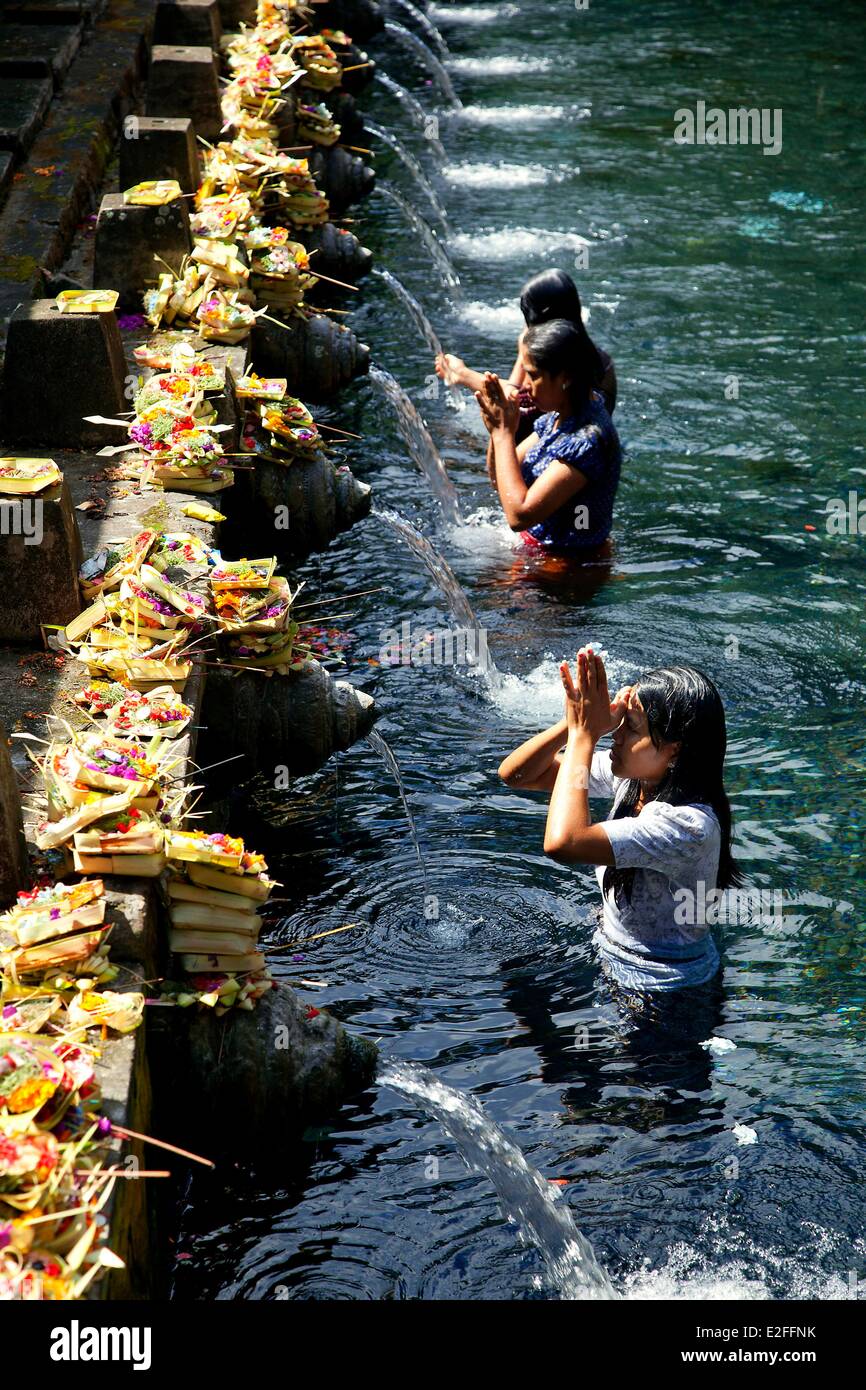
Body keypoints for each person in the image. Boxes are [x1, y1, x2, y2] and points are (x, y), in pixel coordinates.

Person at [498, 649, 740, 997]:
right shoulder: (635, 778)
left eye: (632, 727)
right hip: (610, 951)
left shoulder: (688, 826)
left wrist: (584, 736)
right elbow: (517, 774)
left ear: (674, 750)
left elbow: (563, 843)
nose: (617, 734)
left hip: (666, 993)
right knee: (517, 991)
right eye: (619, 722)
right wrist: (575, 723)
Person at [475, 318, 621, 557]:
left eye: (533, 375)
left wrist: (504, 435)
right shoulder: (558, 417)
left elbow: (519, 515)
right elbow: (499, 481)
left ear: (565, 378)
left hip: (567, 570)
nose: (525, 386)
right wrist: (499, 429)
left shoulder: (586, 442)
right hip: (538, 554)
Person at [435, 268, 617, 438]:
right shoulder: (600, 359)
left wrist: (462, 375)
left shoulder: (555, 362)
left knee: (449, 436)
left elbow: (511, 401)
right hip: (562, 440)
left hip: (546, 447)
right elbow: (517, 391)